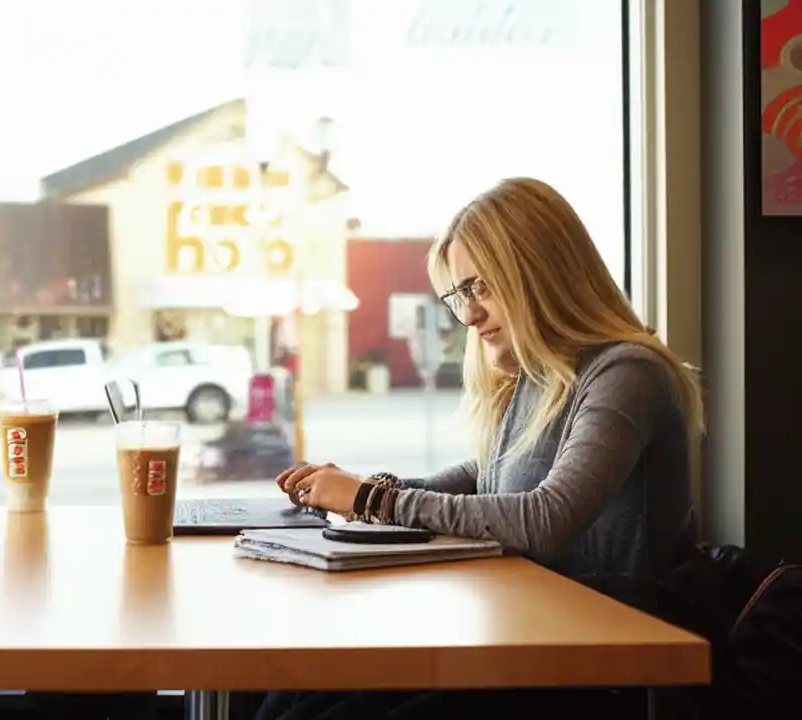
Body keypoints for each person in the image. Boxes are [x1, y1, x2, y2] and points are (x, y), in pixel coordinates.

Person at [259, 177, 704, 720]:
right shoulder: (539, 375)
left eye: (481, 288)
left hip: (596, 668)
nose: (467, 316)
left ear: (542, 274)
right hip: (529, 634)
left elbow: (546, 516)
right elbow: (491, 474)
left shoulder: (628, 372)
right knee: (299, 692)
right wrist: (363, 491)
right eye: (458, 296)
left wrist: (374, 501)